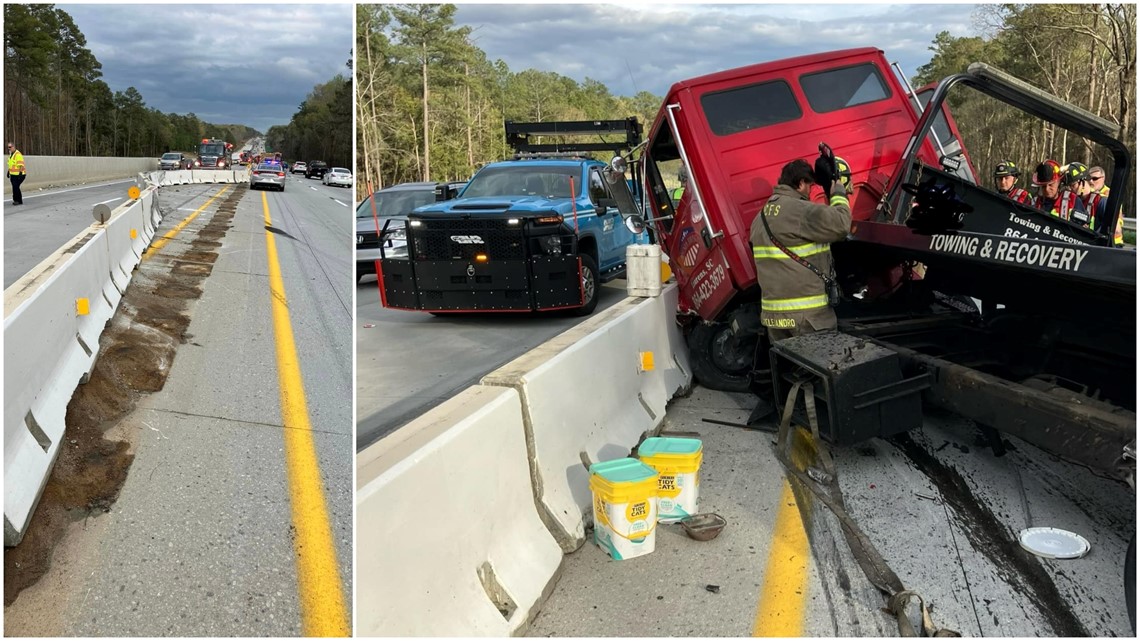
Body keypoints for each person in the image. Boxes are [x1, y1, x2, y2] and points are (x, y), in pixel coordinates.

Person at [749, 157, 851, 341]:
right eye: (811, 187)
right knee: (822, 365)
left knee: (790, 367)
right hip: (807, 315)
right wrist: (838, 195)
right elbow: (841, 224)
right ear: (801, 183)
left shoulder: (760, 217)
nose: (811, 192)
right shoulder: (799, 210)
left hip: (774, 317)